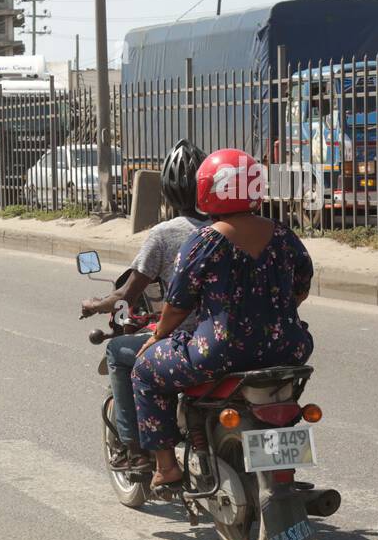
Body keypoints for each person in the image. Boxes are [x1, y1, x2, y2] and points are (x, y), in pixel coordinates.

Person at [132, 148, 315, 489]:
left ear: (206, 190)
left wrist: (157, 336)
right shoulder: (285, 236)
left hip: (219, 352)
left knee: (143, 372)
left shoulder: (204, 241)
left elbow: (178, 303)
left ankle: (167, 467)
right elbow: (301, 288)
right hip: (289, 348)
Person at [81, 139, 206, 470]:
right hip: (230, 337)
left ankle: (135, 449)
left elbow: (126, 296)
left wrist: (94, 304)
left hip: (188, 343)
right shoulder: (231, 230)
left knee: (118, 352)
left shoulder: (164, 234)